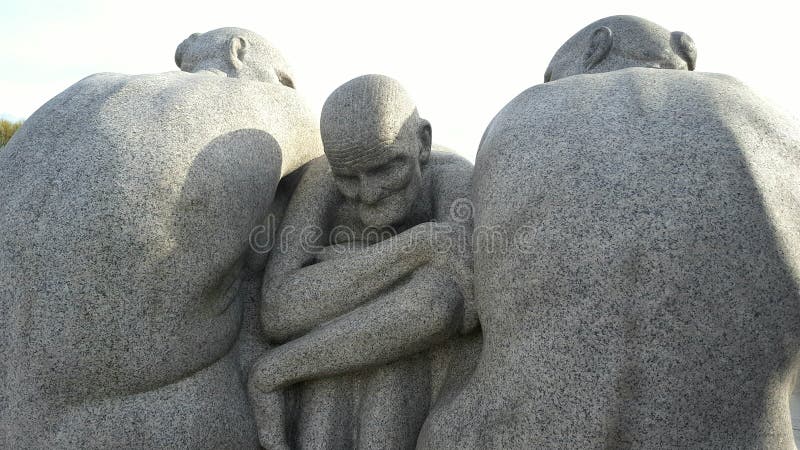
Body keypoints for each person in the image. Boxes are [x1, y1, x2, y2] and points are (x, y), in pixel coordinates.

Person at [417, 15, 800, 449]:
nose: (548, 84)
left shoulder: (522, 113)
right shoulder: (770, 121)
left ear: (597, 47)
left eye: (551, 75)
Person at [0, 27, 322, 448]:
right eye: (284, 79)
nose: (288, 91)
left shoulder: (84, 92)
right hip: (149, 408)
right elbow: (337, 153)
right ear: (237, 52)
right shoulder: (261, 101)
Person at [248, 74, 477, 449]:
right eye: (349, 179)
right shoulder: (326, 176)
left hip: (415, 378)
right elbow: (277, 310)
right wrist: (420, 244)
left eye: (388, 168)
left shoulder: (452, 179)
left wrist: (279, 368)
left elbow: (444, 304)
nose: (368, 194)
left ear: (423, 142)